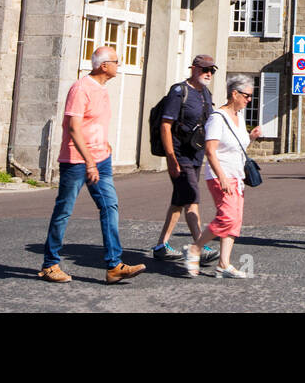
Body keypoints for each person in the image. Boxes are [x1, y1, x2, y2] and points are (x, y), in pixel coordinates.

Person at [38, 46, 145, 284]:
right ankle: (49, 264)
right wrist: (89, 162)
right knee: (63, 211)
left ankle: (114, 265)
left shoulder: (103, 90)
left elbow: (95, 123)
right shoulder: (80, 89)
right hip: (77, 161)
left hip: (100, 160)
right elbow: (74, 128)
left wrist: (104, 146)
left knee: (110, 207)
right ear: (103, 66)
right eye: (116, 61)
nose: (120, 65)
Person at [185, 75, 262, 278]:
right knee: (226, 217)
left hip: (237, 175)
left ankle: (223, 264)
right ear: (234, 93)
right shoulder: (217, 118)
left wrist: (251, 138)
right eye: (246, 96)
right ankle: (196, 248)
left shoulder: (239, 117)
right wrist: (222, 178)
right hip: (221, 176)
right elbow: (210, 151)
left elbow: (239, 146)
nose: (249, 100)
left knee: (235, 220)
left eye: (250, 96)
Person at [152, 55, 220, 270]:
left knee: (179, 200)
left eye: (212, 70)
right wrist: (171, 158)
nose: (208, 73)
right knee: (191, 196)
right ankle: (200, 246)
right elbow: (165, 125)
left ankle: (161, 246)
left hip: (196, 154)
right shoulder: (179, 91)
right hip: (180, 155)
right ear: (194, 69)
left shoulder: (206, 94)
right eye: (204, 69)